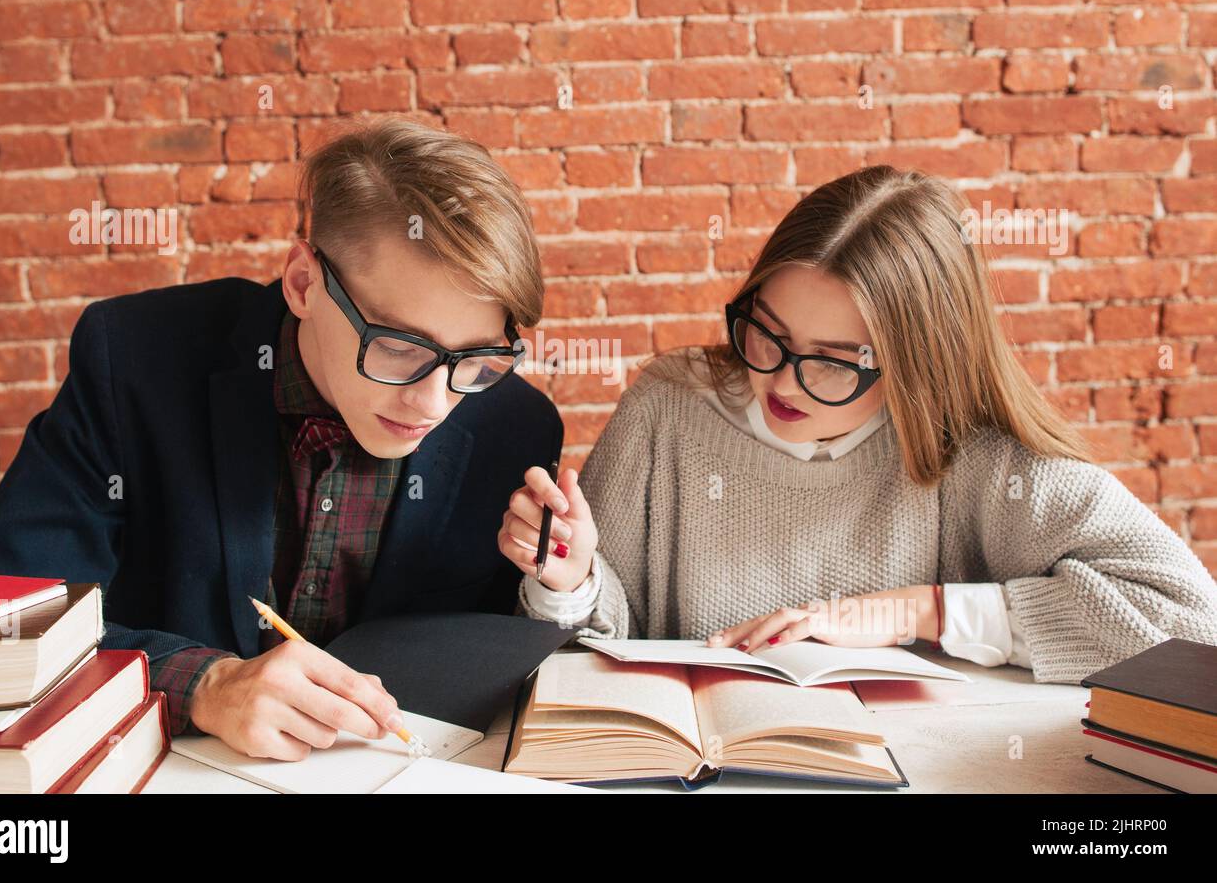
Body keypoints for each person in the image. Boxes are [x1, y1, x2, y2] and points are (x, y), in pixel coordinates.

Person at [0, 117, 562, 759]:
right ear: (303, 283)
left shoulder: (514, 426)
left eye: (478, 359)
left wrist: (558, 590)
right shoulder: (133, 359)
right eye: (398, 346)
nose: (435, 402)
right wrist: (205, 685)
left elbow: (497, 661)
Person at [500, 164, 1217, 683]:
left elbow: (1191, 621)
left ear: (917, 363)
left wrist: (916, 612)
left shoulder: (970, 452)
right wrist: (573, 583)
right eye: (767, 334)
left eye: (835, 363)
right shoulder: (668, 407)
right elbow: (585, 650)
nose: (781, 380)